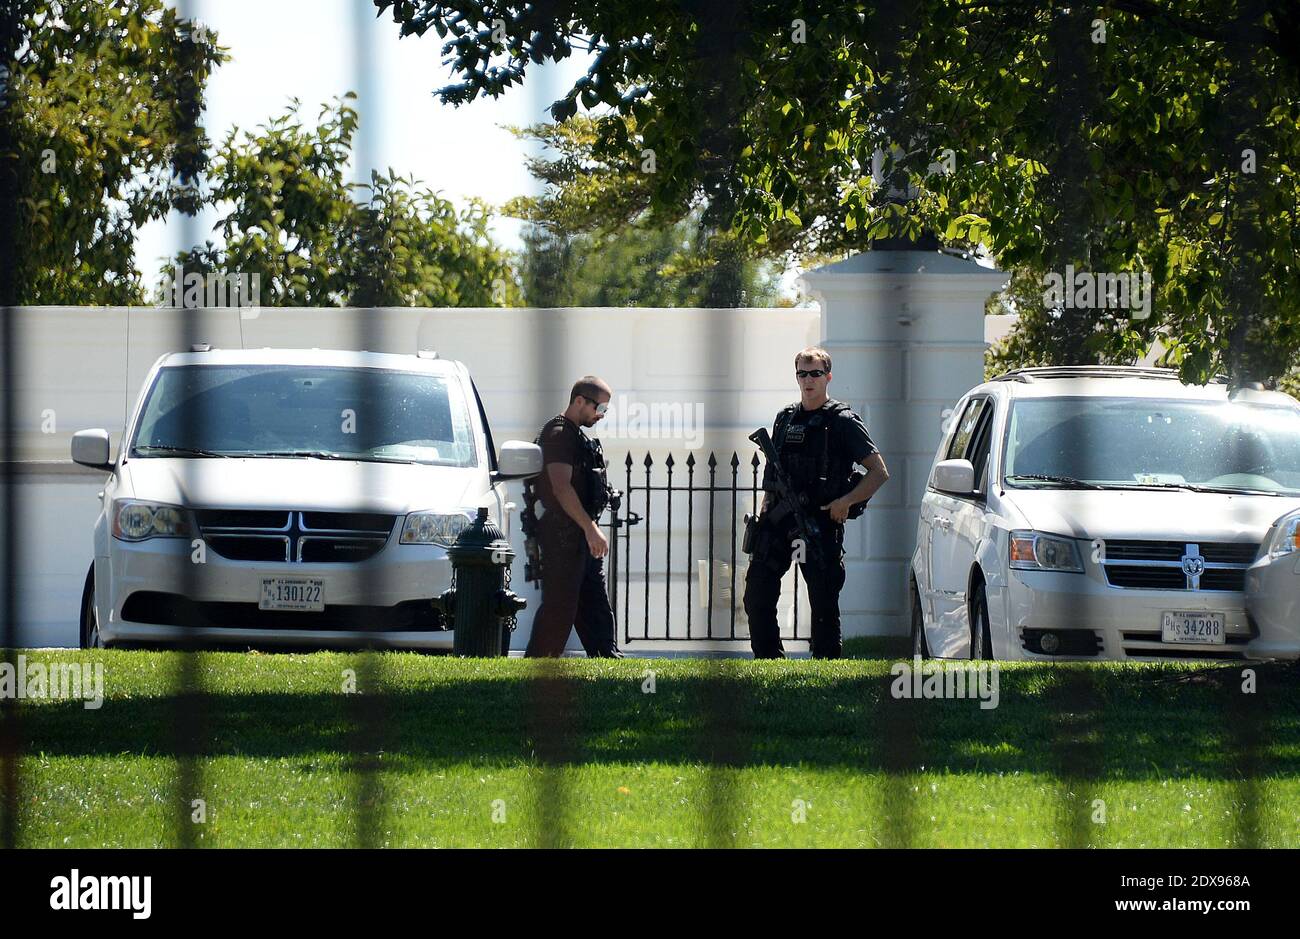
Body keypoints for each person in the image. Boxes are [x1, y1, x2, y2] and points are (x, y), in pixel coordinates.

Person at [742, 347, 890, 659]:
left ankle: (826, 664)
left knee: (822, 600)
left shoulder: (842, 421)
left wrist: (846, 502)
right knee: (757, 591)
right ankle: (768, 660)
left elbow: (878, 473)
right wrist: (766, 505)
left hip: (819, 522)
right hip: (781, 520)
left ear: (828, 377)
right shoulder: (785, 418)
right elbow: (773, 471)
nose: (808, 380)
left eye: (815, 374)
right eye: (802, 374)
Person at [524, 376, 623, 658]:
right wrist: (590, 528)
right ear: (580, 401)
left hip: (578, 536)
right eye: (599, 408)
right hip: (563, 536)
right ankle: (537, 666)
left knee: (595, 606)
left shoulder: (575, 435)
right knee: (560, 607)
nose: (601, 415)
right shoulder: (559, 434)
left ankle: (607, 661)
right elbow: (560, 486)